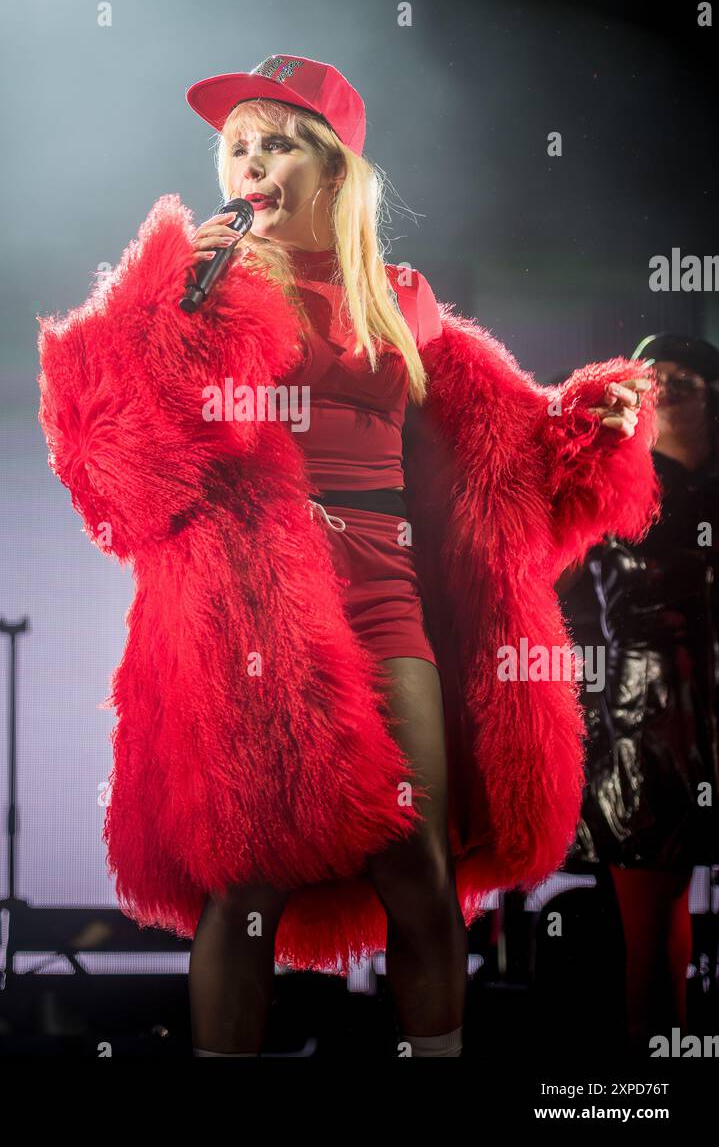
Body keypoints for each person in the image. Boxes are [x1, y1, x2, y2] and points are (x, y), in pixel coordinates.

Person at [37, 53, 660, 1058]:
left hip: (386, 584)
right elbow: (107, 444)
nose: (248, 161)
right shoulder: (208, 285)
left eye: (274, 142)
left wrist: (588, 420)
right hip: (253, 605)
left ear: (331, 168)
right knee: (249, 877)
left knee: (416, 859)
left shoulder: (402, 302)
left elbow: (505, 446)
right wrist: (170, 315)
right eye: (234, 145)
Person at [569, 334, 719, 1054]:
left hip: (706, 708)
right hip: (643, 729)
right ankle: (653, 1089)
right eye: (652, 379)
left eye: (685, 378)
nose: (665, 388)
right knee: (651, 944)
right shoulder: (607, 488)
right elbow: (537, 580)